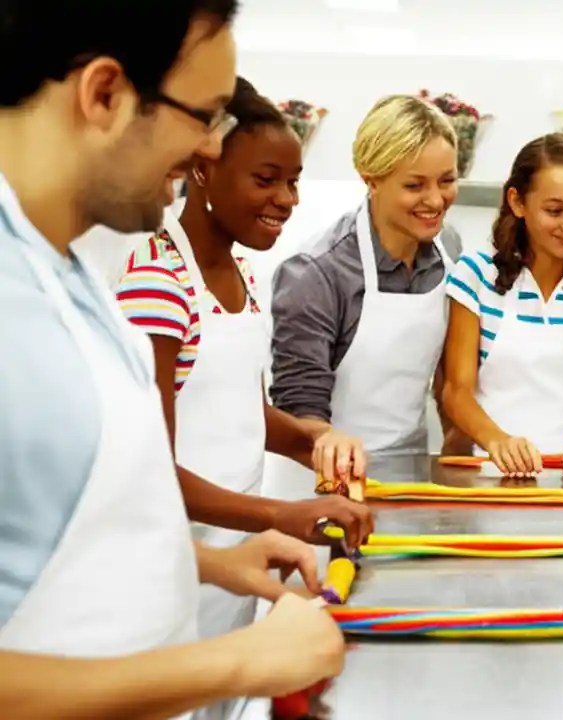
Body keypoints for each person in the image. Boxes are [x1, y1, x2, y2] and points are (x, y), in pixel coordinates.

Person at [0, 2, 343, 718]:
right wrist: (233, 662)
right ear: (104, 95)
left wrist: (211, 564)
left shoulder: (73, 273)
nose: (213, 151)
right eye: (207, 117)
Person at [114, 75, 372, 710]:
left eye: (293, 180)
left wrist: (316, 441)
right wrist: (279, 516)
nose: (286, 198)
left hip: (240, 565)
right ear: (203, 170)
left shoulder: (247, 276)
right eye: (266, 179)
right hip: (178, 570)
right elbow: (153, 470)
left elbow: (239, 411)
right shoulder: (156, 283)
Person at [270, 94, 463, 462]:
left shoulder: (449, 249)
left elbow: (446, 371)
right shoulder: (316, 274)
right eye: (415, 185)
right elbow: (299, 408)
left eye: (447, 180)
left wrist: (457, 443)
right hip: (320, 481)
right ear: (371, 179)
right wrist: (338, 461)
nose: (436, 200)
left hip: (410, 476)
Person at [442, 132, 563, 476]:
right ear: (517, 202)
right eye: (554, 210)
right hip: (490, 472)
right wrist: (498, 441)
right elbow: (456, 391)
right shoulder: (475, 276)